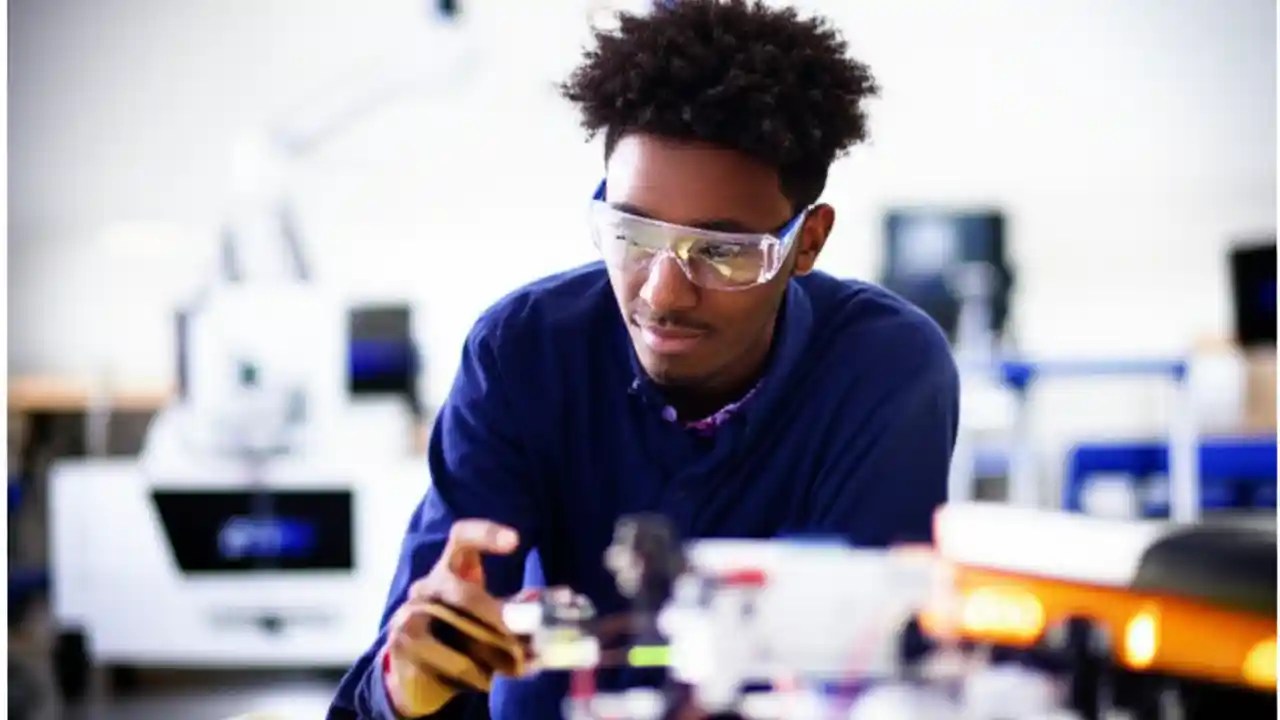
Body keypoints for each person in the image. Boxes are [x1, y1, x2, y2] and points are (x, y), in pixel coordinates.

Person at [329, 1, 958, 718]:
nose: (662, 295)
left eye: (723, 252)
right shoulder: (522, 352)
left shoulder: (884, 371)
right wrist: (405, 688)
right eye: (631, 232)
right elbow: (394, 680)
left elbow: (863, 681)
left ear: (807, 241)